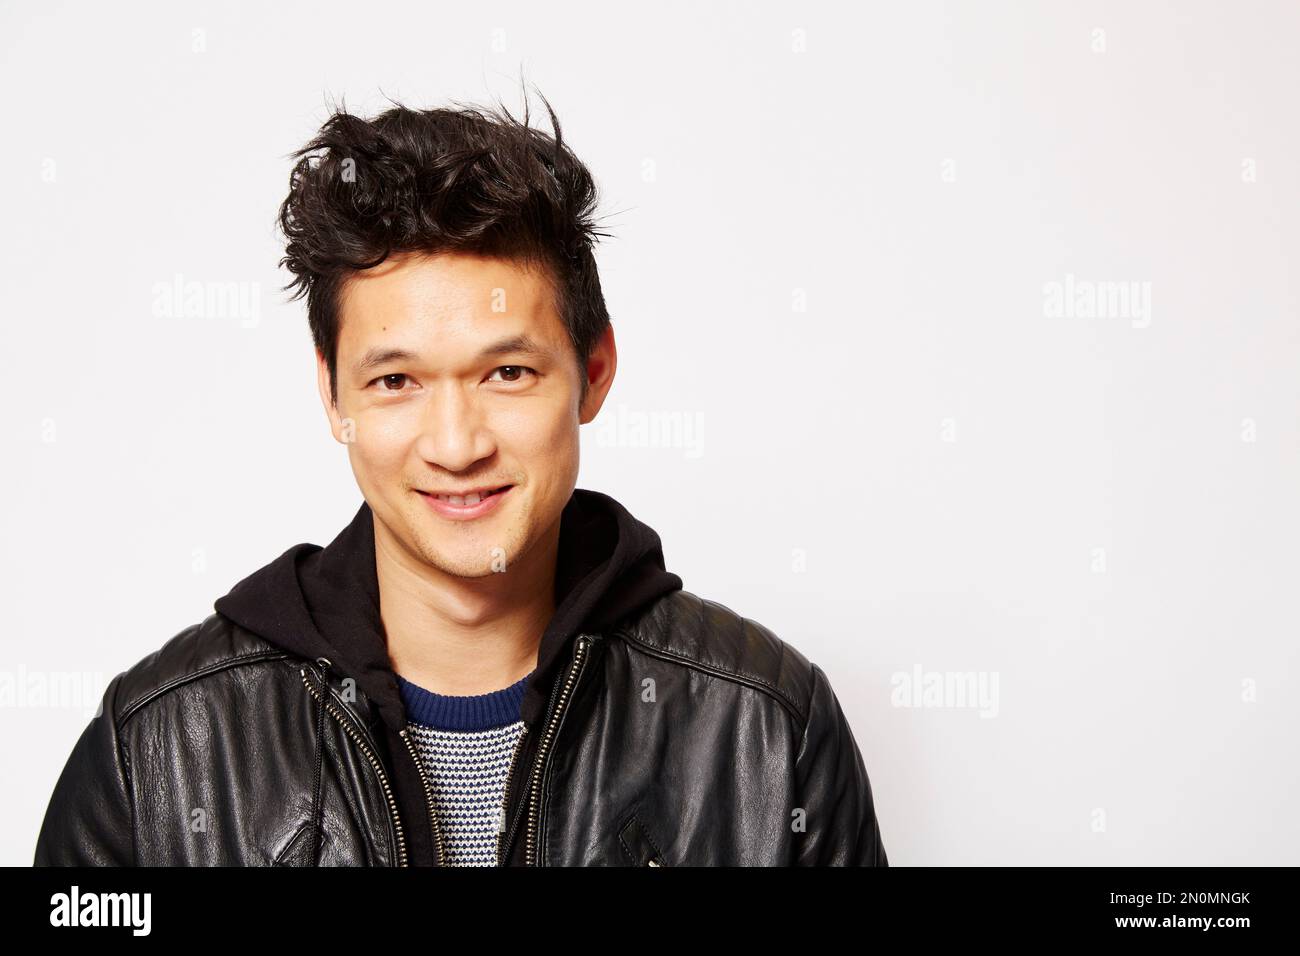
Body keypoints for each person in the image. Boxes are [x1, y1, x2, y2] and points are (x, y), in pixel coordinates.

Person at [33, 89, 888, 866]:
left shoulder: (768, 730)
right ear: (332, 396)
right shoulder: (156, 750)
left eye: (507, 373)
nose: (454, 444)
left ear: (594, 373)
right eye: (395, 381)